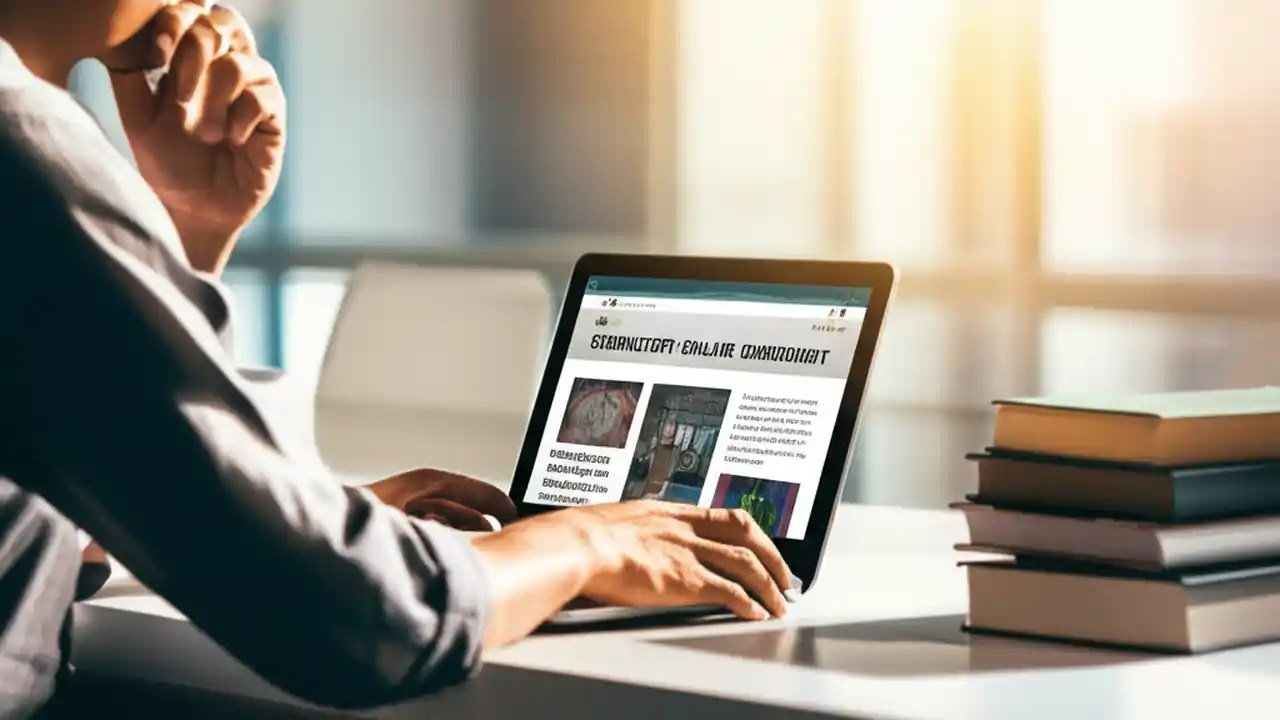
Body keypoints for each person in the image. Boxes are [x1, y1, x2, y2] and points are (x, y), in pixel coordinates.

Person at [0, 1, 792, 714]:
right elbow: (352, 615)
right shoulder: (24, 146)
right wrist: (586, 543)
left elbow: (51, 485)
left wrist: (187, 233)